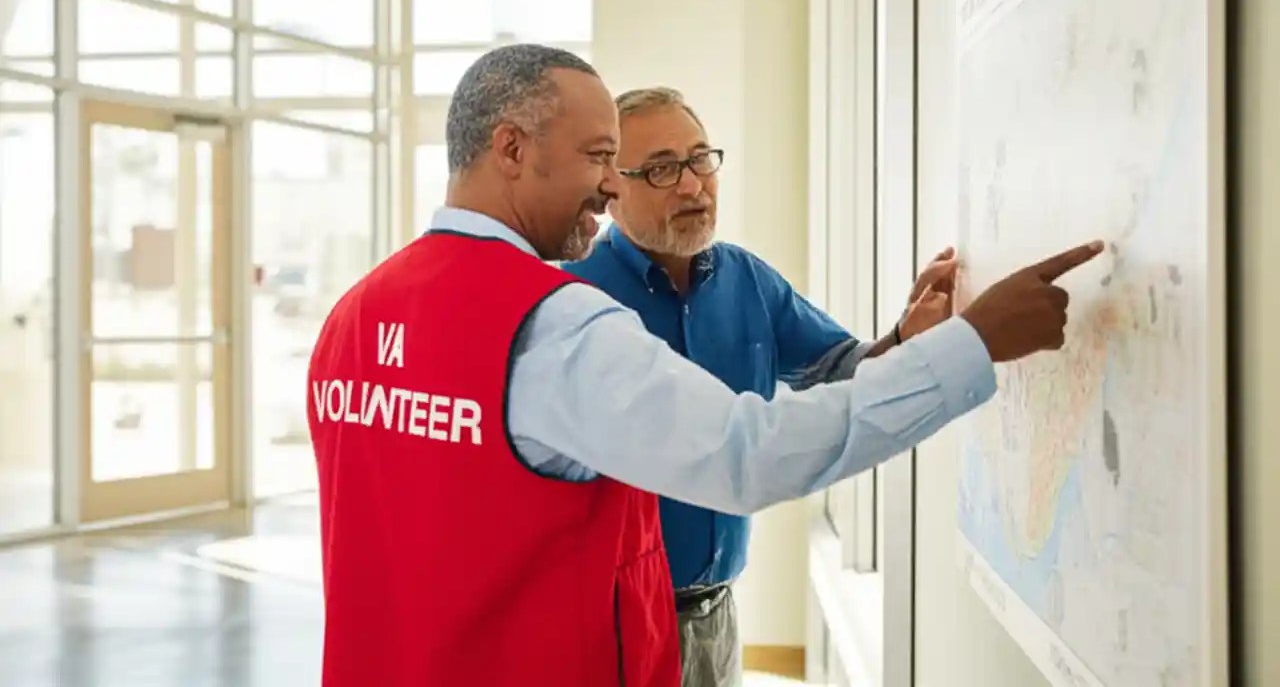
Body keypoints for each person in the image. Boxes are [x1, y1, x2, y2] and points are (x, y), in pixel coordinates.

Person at [305, 43, 1102, 687]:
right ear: (511, 149)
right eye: (600, 158)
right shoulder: (554, 321)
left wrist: (911, 340)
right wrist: (972, 346)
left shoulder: (353, 316)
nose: (609, 186)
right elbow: (746, 454)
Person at [561, 86, 955, 687]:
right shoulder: (571, 299)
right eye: (663, 169)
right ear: (611, 191)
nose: (693, 185)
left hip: (718, 611)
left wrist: (906, 335)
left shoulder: (747, 279)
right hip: (607, 622)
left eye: (700, 159)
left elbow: (842, 366)